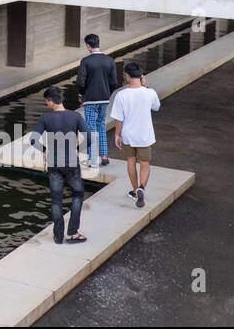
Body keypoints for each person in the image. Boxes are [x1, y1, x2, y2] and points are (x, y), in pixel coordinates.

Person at [29, 86, 90, 244]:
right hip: (71, 162)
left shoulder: (46, 118)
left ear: (51, 101)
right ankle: (73, 232)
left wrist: (44, 150)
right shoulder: (75, 116)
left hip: (54, 163)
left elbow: (33, 139)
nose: (46, 104)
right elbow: (88, 138)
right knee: (77, 195)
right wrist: (77, 149)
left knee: (56, 200)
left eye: (46, 102)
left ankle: (58, 236)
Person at [109, 62, 161, 208]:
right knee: (145, 163)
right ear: (141, 76)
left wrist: (117, 135)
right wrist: (146, 86)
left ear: (127, 76)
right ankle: (142, 188)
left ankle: (134, 190)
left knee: (131, 161)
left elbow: (119, 119)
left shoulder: (121, 95)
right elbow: (156, 107)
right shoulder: (149, 92)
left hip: (128, 135)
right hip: (145, 135)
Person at [76, 32, 117, 168]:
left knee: (91, 128)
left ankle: (92, 159)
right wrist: (107, 94)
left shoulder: (86, 61)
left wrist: (82, 95)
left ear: (88, 46)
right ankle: (104, 156)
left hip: (90, 100)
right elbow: (114, 82)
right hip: (104, 99)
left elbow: (81, 82)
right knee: (101, 126)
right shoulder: (109, 60)